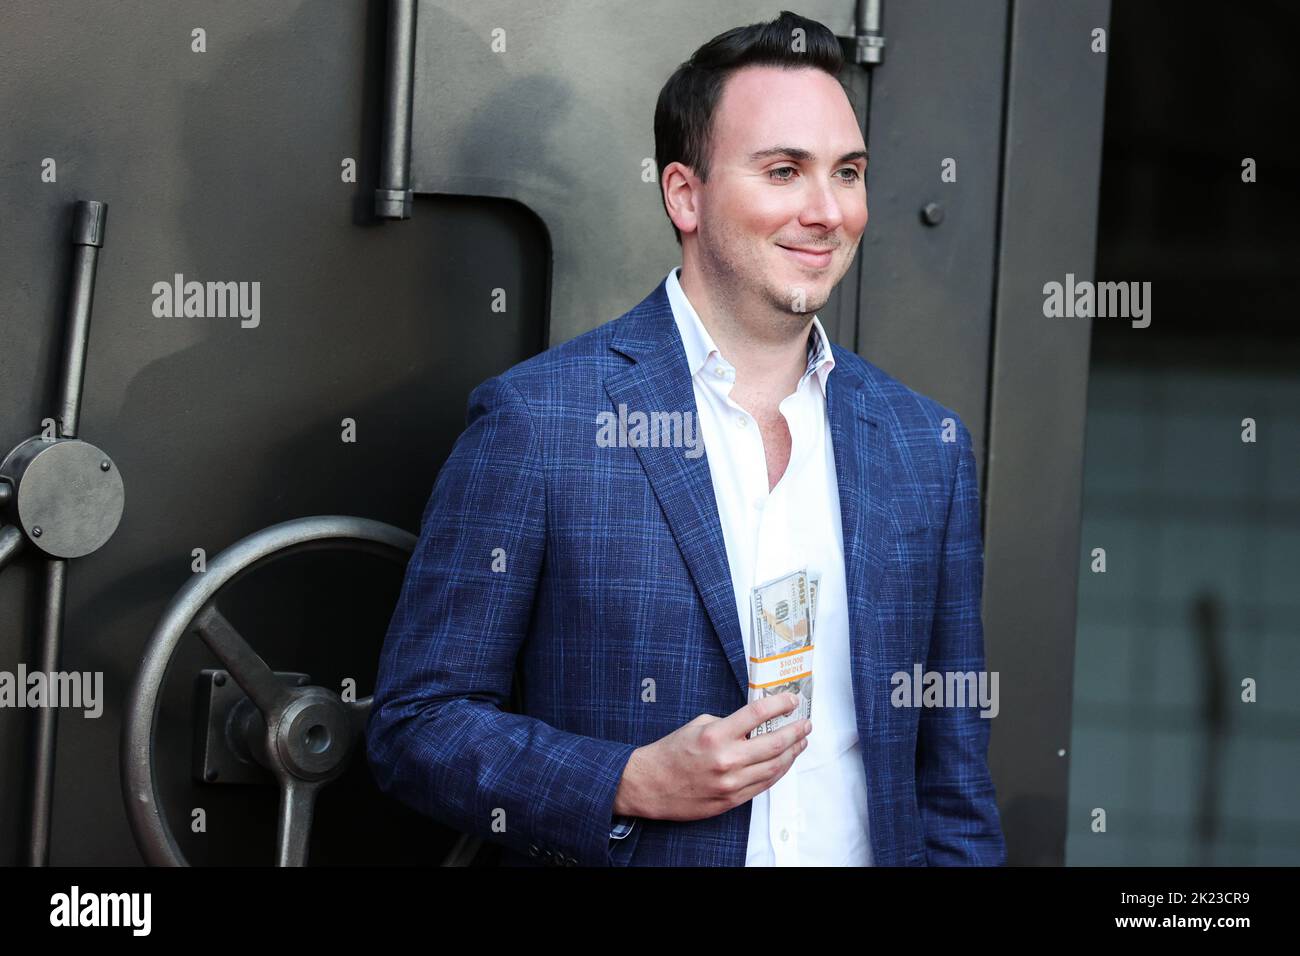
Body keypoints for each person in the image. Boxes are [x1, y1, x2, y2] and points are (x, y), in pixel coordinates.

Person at [366, 10, 1006, 867]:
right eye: (784, 170)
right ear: (684, 194)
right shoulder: (539, 423)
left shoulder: (926, 447)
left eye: (847, 173)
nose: (827, 210)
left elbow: (952, 786)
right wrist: (625, 780)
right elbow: (416, 727)